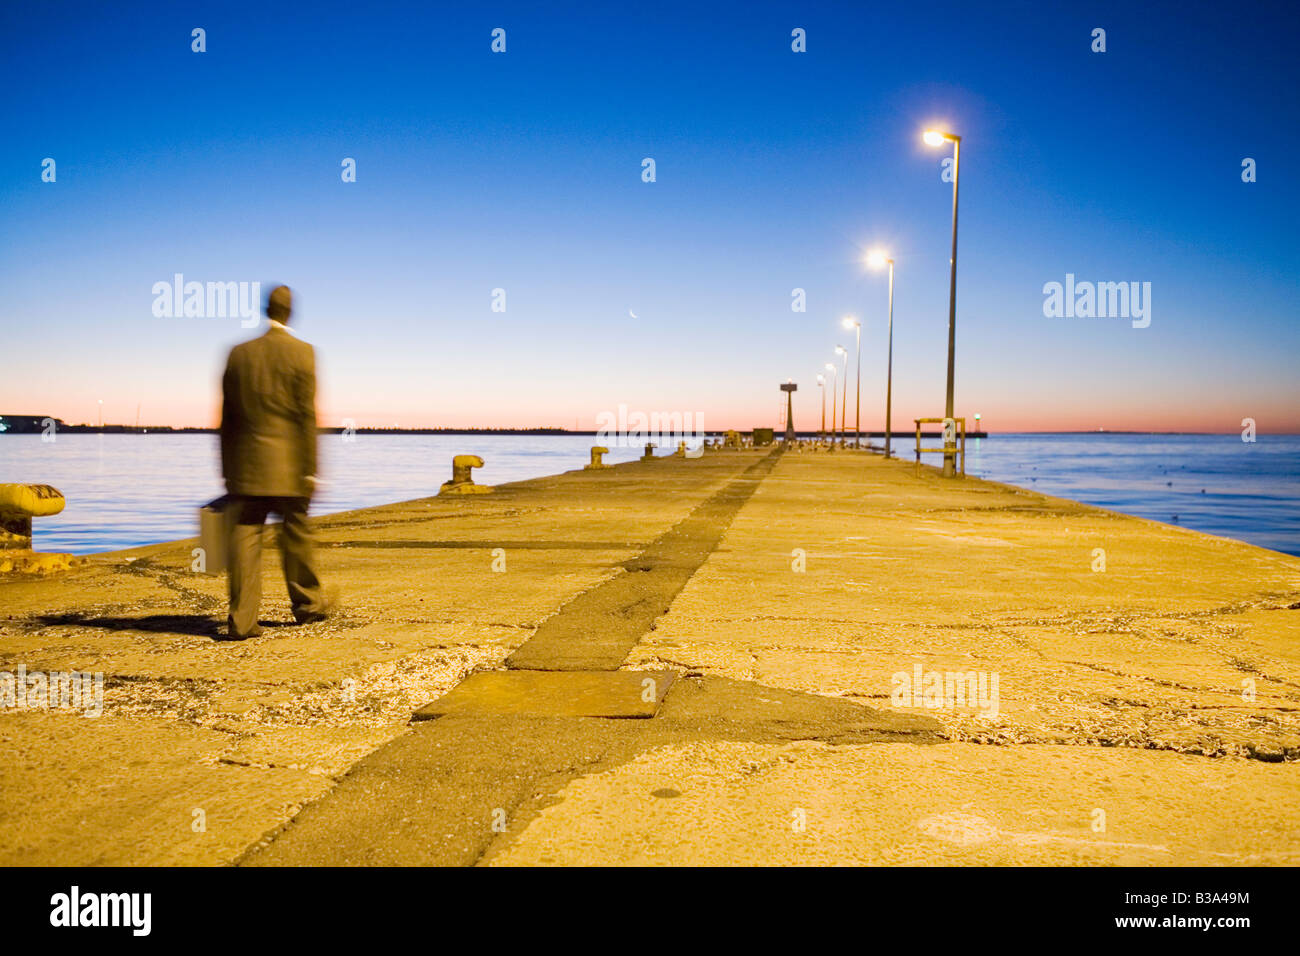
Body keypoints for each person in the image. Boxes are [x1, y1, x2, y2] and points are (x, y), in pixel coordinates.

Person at [218, 284, 329, 639]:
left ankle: (242, 620)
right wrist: (311, 466)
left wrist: (227, 469)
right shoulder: (303, 353)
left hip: (247, 467)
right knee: (296, 535)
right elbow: (305, 415)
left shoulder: (239, 354)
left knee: (245, 541)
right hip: (289, 465)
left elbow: (228, 418)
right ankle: (308, 606)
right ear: (289, 312)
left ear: (266, 309)